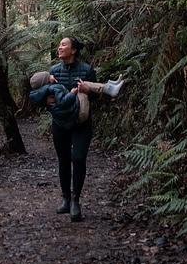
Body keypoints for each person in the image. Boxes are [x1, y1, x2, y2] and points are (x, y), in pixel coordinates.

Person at [33, 36, 125, 222]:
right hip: (60, 123)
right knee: (64, 160)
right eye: (59, 44)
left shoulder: (86, 70)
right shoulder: (53, 71)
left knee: (79, 158)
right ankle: (66, 198)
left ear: (73, 50)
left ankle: (76, 200)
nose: (59, 47)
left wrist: (87, 91)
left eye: (63, 44)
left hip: (81, 123)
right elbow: (45, 97)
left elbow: (98, 100)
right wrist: (47, 102)